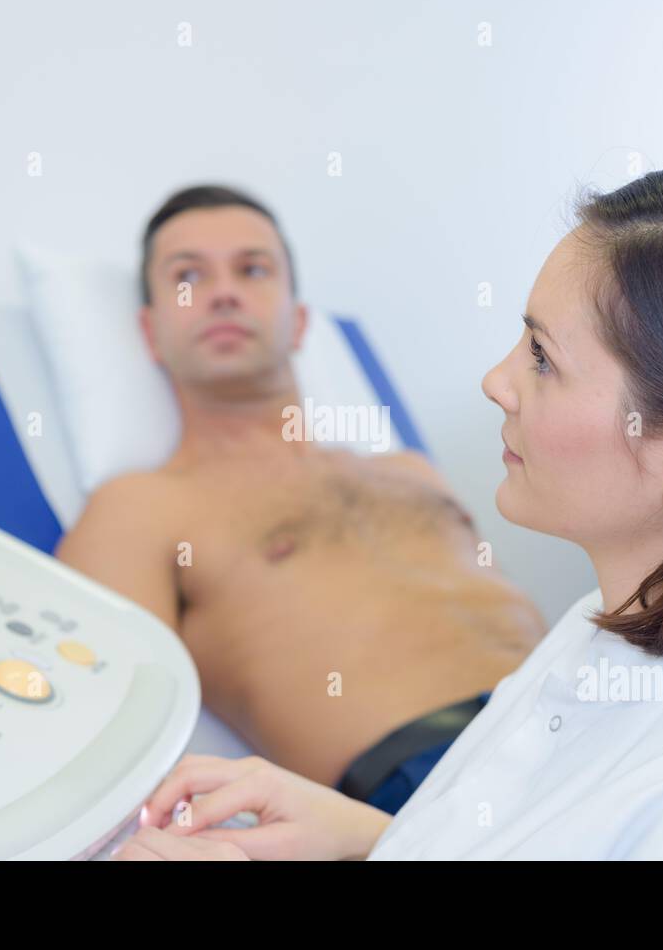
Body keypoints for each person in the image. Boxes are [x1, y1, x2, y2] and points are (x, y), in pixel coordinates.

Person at [114, 168, 663, 860]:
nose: (495, 381)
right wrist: (367, 834)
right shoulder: (609, 625)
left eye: (541, 357)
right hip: (413, 779)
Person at [56, 186, 548, 815]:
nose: (223, 292)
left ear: (299, 321)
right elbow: (95, 736)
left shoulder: (410, 472)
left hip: (589, 710)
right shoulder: (141, 509)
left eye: (253, 269)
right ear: (150, 334)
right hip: (432, 788)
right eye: (188, 276)